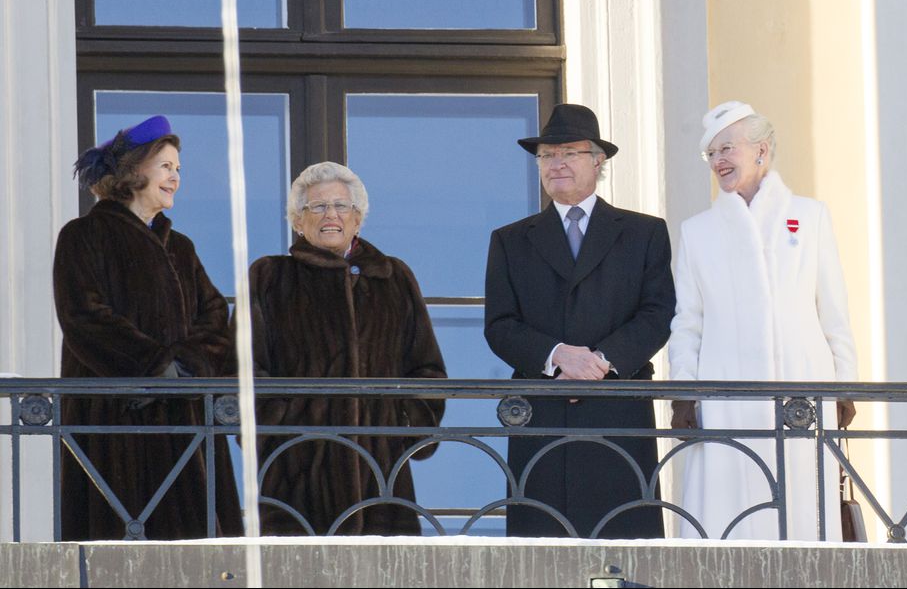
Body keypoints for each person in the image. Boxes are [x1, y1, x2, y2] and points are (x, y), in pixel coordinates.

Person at [484, 104, 676, 538]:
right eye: (547, 156)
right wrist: (556, 356)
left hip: (617, 412)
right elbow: (500, 324)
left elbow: (658, 312)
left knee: (623, 553)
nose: (556, 164)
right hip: (541, 415)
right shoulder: (511, 240)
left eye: (568, 153)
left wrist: (602, 360)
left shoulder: (644, 232)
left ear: (597, 161)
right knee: (541, 554)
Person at [669, 101, 858, 540]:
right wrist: (684, 393)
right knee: (728, 524)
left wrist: (845, 386)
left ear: (762, 151)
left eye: (727, 148)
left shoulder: (810, 218)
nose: (718, 160)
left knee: (801, 522)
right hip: (724, 401)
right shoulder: (697, 232)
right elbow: (687, 325)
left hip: (802, 394)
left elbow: (834, 312)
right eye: (711, 153)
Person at [53, 115, 242, 540]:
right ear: (135, 169)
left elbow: (214, 315)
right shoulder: (84, 235)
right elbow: (84, 316)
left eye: (179, 169)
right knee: (123, 548)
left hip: (186, 419)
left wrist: (186, 368)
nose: (175, 178)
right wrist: (154, 369)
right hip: (115, 420)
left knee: (198, 553)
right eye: (166, 167)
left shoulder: (181, 246)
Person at [243, 161, 446, 536]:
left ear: (357, 218)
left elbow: (427, 367)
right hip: (296, 475)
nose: (330, 215)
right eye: (316, 207)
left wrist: (405, 428)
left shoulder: (393, 277)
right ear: (298, 221)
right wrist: (281, 428)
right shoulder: (270, 277)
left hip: (381, 477)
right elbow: (243, 368)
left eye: (341, 206)